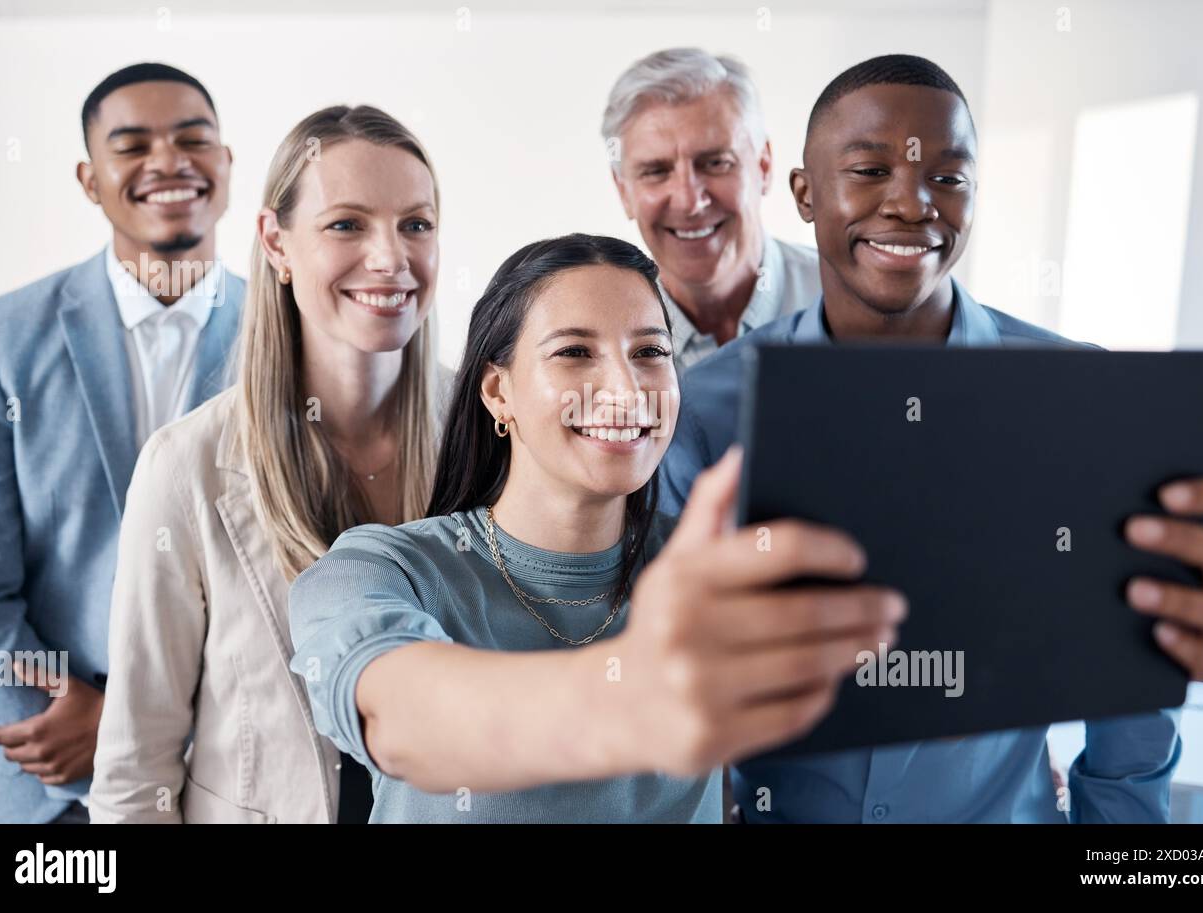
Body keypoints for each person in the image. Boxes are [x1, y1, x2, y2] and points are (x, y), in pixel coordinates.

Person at [662, 54, 1203, 823]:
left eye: (948, 177)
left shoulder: (1079, 391)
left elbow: (1134, 678)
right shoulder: (707, 405)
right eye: (870, 169)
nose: (911, 204)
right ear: (805, 195)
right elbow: (667, 657)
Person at [288, 233, 905, 822]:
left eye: (650, 353)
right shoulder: (382, 570)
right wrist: (624, 700)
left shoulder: (708, 571)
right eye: (574, 352)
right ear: (499, 392)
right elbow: (399, 720)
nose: (625, 389)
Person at [87, 105, 444, 824]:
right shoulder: (185, 467)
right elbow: (135, 775)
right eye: (347, 224)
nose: (390, 257)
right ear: (275, 244)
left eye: (416, 224)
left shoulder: (495, 436)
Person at [0, 62, 242, 824]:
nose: (168, 161)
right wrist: (74, 718)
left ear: (225, 164)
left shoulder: (294, 340)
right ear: (90, 180)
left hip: (229, 780)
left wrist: (143, 731)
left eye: (193, 139)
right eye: (133, 144)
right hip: (40, 787)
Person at [603, 48, 820, 370]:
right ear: (624, 192)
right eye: (656, 171)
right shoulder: (598, 335)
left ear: (763, 166)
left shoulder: (848, 298)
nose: (690, 202)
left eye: (716, 163)